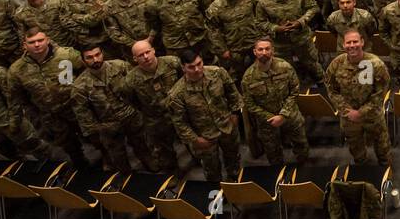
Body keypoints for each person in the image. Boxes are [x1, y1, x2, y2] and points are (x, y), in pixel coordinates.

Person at [7, 28, 88, 167]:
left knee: (95, 138)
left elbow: (86, 73)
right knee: (68, 145)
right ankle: (82, 166)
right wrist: (33, 116)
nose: (37, 44)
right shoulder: (17, 70)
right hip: (51, 114)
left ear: (48, 40)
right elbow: (17, 97)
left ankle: (108, 162)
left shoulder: (66, 55)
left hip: (77, 107)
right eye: (32, 42)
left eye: (40, 40)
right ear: (25, 45)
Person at [167, 50, 242, 184]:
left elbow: (233, 93)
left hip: (227, 126)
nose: (197, 69)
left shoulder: (218, 73)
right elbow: (179, 123)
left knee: (233, 159)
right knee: (211, 169)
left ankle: (234, 182)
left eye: (199, 64)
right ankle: (217, 193)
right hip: (204, 136)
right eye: (191, 67)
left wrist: (235, 114)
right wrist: (195, 140)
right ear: (183, 68)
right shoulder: (177, 93)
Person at [325, 29, 393, 166]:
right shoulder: (336, 64)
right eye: (348, 42)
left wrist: (361, 112)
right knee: (356, 150)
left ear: (362, 42)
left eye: (355, 41)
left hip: (372, 116)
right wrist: (346, 111)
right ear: (343, 45)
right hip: (349, 117)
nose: (352, 45)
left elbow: (381, 92)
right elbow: (331, 89)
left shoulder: (376, 64)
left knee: (382, 148)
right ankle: (362, 171)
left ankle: (386, 173)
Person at [71, 45, 143, 172]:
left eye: (97, 55)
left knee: (142, 145)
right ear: (83, 60)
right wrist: (96, 133)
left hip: (131, 115)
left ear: (102, 53)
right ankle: (127, 177)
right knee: (118, 156)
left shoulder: (120, 66)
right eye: (89, 57)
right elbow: (83, 114)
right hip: (107, 124)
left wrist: (141, 110)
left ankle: (149, 164)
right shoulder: (79, 86)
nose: (95, 59)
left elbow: (138, 88)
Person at [241, 38, 308, 166]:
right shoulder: (248, 77)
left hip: (290, 114)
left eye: (267, 49)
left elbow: (294, 90)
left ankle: (303, 170)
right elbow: (249, 104)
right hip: (267, 121)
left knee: (301, 145)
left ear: (273, 50)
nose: (264, 52)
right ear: (255, 52)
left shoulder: (285, 67)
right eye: (260, 49)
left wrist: (283, 115)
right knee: (273, 153)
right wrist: (271, 117)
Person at [123, 40, 182, 173]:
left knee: (194, 142)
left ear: (154, 50)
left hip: (181, 112)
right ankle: (174, 174)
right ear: (134, 58)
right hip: (156, 119)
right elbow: (132, 101)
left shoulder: (172, 63)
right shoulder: (130, 80)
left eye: (147, 52)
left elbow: (185, 80)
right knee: (165, 151)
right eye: (140, 55)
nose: (145, 57)